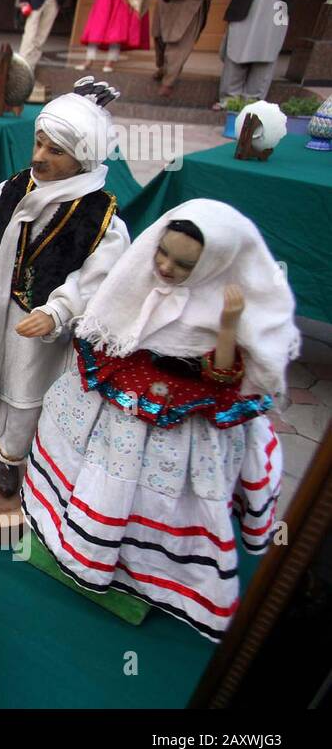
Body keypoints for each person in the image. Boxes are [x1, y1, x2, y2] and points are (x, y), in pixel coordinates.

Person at [21, 200, 297, 641]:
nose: (165, 267)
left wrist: (227, 324)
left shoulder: (225, 299)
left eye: (183, 263)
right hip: (126, 395)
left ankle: (142, 571)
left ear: (214, 263)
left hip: (186, 416)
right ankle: (84, 540)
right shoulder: (140, 278)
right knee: (100, 473)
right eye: (162, 254)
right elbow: (112, 318)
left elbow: (225, 374)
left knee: (157, 495)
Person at [0, 78, 130, 498]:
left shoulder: (97, 214)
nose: (38, 157)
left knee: (25, 389)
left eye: (55, 151)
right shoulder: (19, 187)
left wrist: (58, 310)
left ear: (82, 158)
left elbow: (100, 276)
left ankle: (10, 455)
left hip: (40, 322)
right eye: (38, 143)